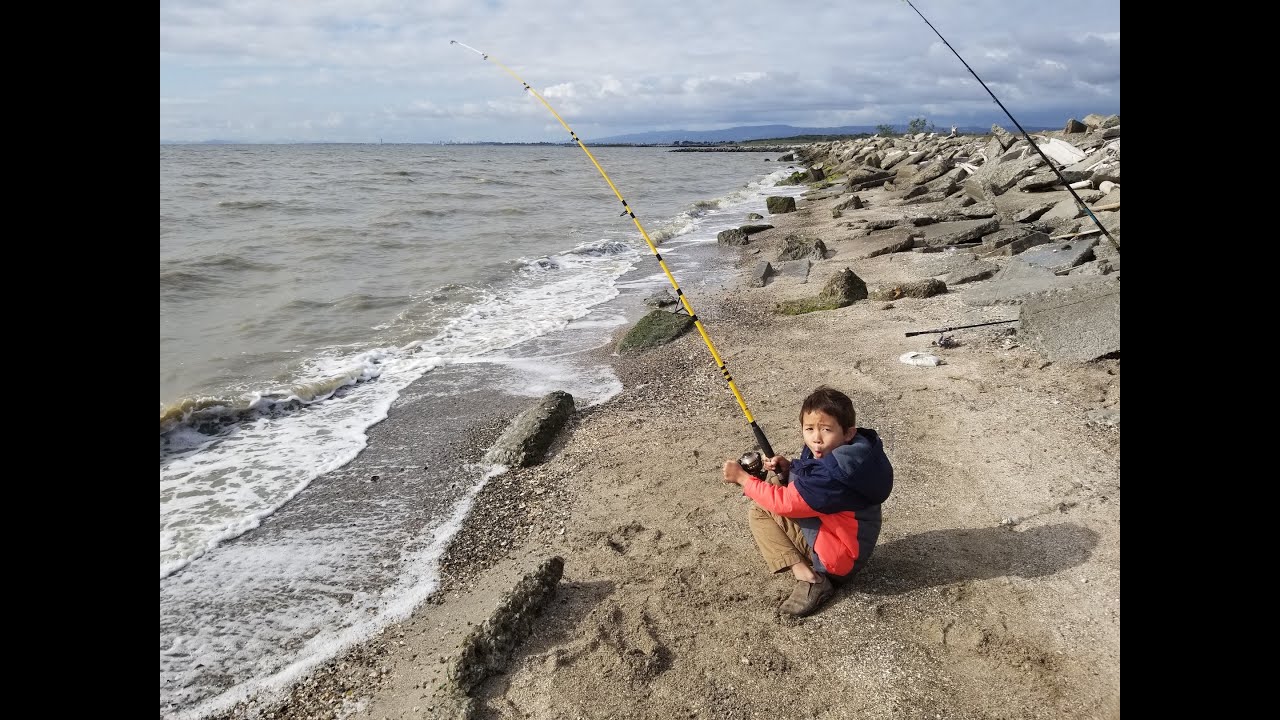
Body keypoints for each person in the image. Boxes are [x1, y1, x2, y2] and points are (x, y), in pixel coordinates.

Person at [721, 386, 893, 616]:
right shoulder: (855, 454)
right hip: (850, 545)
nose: (816, 438)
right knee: (775, 483)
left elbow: (786, 502)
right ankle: (815, 568)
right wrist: (789, 468)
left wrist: (743, 479)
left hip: (838, 562)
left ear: (848, 432)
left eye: (826, 430)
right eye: (809, 429)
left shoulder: (833, 474)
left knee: (760, 507)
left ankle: (811, 577)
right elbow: (816, 479)